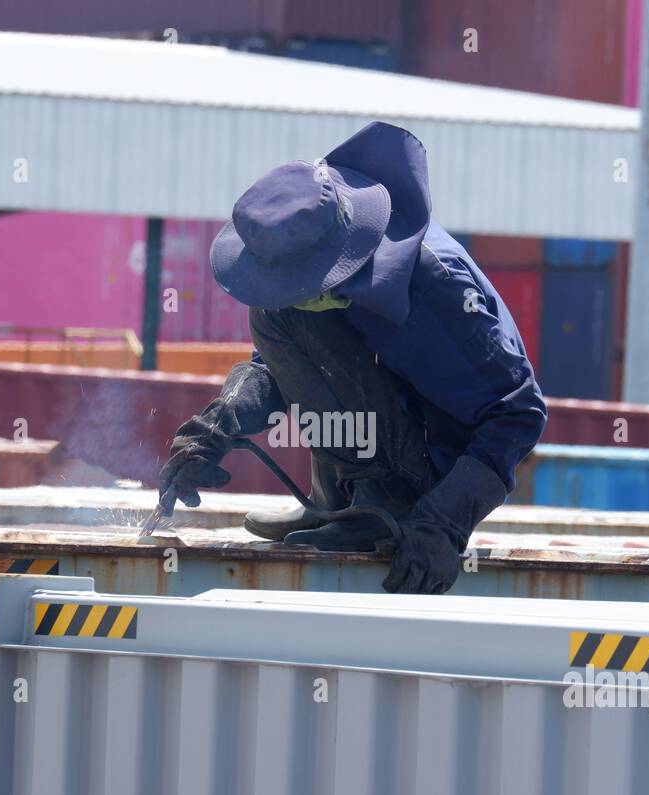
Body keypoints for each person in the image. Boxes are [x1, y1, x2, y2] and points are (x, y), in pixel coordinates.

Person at [157, 122, 547, 595]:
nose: (293, 298)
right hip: (384, 451)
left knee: (285, 317)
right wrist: (217, 426)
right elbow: (277, 366)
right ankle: (339, 498)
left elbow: (518, 413)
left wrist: (444, 520)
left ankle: (384, 501)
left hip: (437, 473)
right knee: (275, 318)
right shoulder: (320, 289)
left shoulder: (438, 287)